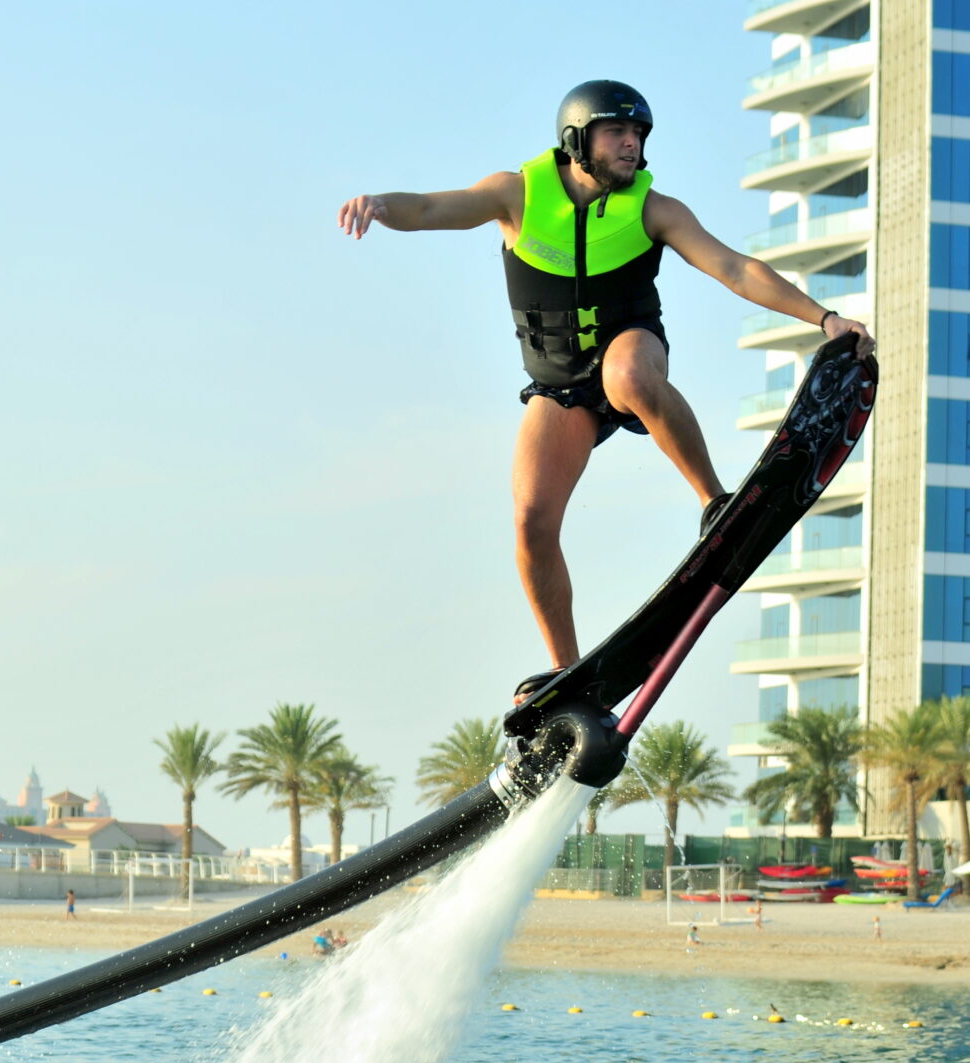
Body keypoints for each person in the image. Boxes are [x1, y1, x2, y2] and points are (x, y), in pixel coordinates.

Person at [338, 80, 876, 705]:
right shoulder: (516, 194)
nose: (632, 144)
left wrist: (824, 319)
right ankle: (571, 676)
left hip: (629, 351)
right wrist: (379, 203)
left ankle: (714, 502)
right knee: (531, 522)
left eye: (639, 135)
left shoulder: (655, 210)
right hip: (559, 385)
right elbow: (433, 209)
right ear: (576, 140)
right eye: (617, 132)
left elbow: (735, 269)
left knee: (628, 376)